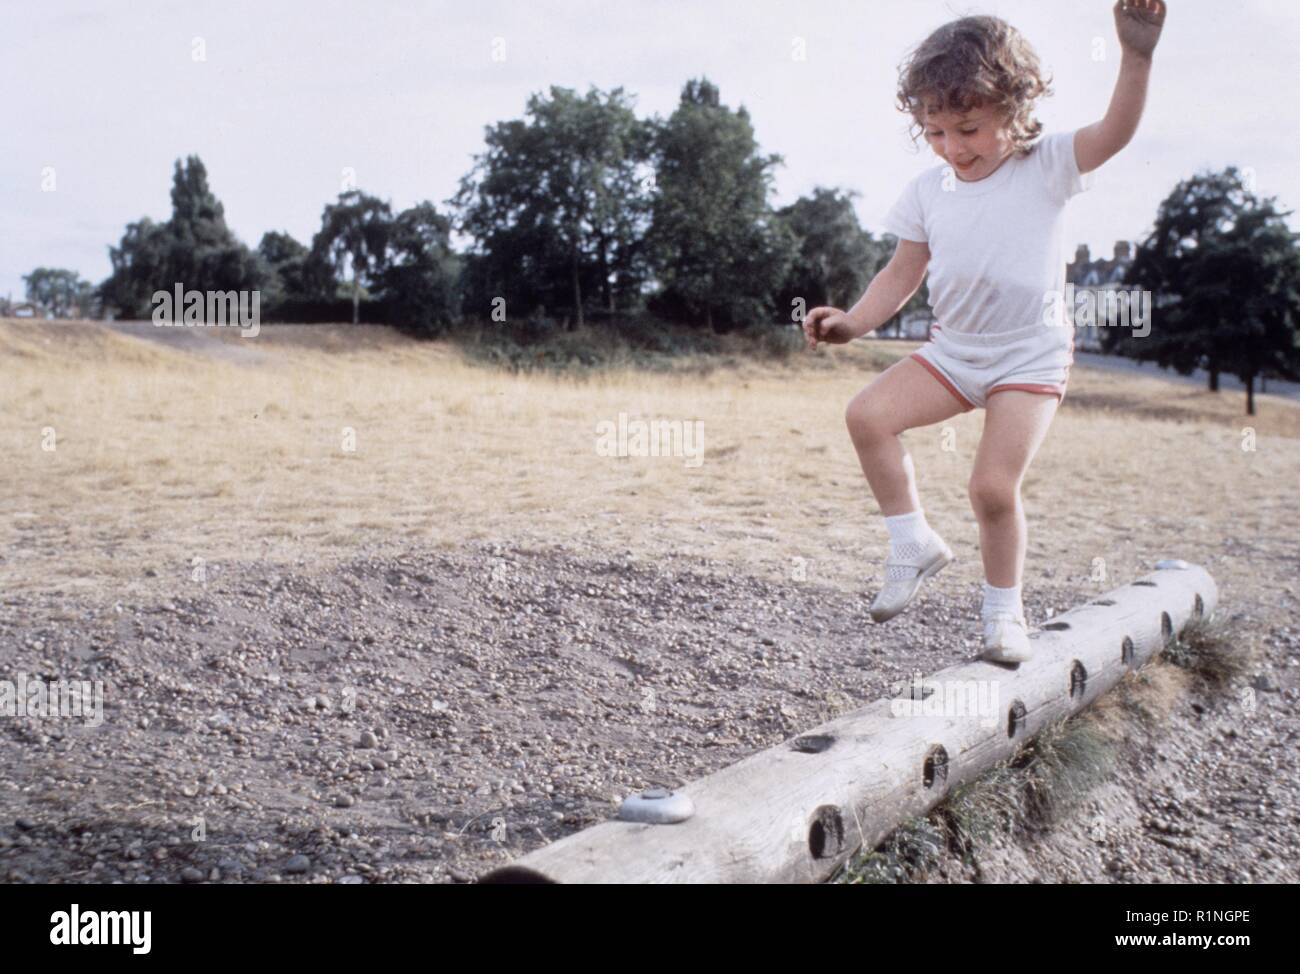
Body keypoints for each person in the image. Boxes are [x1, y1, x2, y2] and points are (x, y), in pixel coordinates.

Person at [802, 1, 1166, 662]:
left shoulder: (1048, 164)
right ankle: (911, 541)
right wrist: (853, 321)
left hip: (1030, 354)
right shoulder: (928, 190)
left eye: (968, 128)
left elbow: (1115, 132)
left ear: (1014, 106)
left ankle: (1004, 614)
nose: (953, 147)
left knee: (991, 489)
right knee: (866, 416)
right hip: (954, 351)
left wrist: (1135, 57)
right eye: (935, 131)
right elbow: (900, 274)